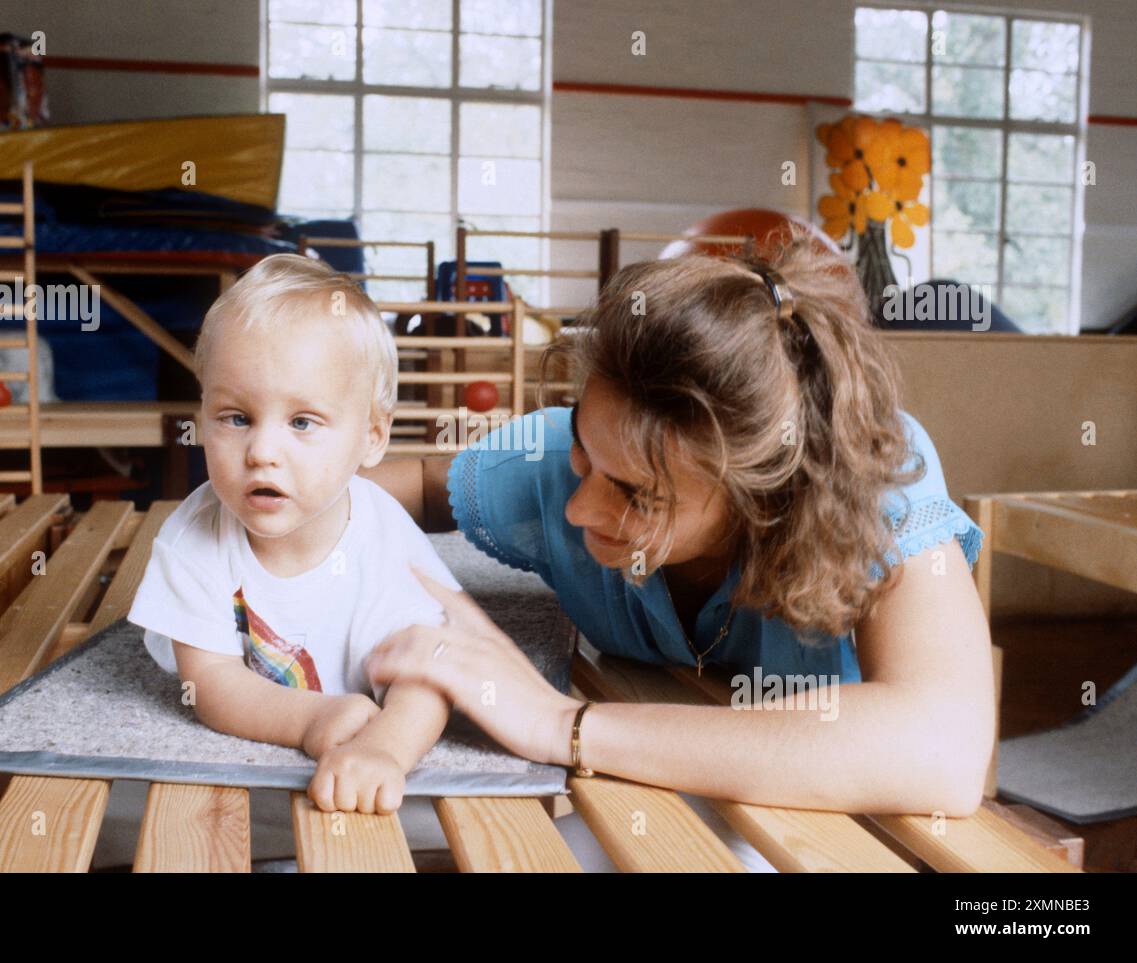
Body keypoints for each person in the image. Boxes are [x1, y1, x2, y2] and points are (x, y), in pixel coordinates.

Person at [363, 233, 995, 817]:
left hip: (827, 809)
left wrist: (562, 725)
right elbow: (413, 484)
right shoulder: (554, 463)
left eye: (637, 496)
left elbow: (945, 749)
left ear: (762, 492)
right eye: (585, 452)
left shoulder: (872, 476)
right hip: (664, 794)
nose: (579, 508)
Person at [127, 254, 461, 816]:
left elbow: (431, 670)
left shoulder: (385, 540)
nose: (261, 453)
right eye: (236, 418)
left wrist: (387, 747)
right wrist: (312, 719)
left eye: (302, 422)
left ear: (372, 437)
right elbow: (210, 680)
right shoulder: (193, 539)